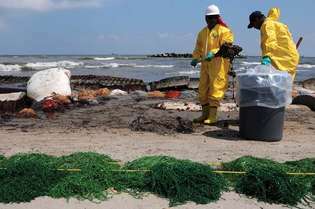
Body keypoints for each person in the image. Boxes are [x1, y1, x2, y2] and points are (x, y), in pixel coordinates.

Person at [191, 4, 234, 124]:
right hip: (205, 64)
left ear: (217, 17)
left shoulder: (225, 31)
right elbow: (198, 48)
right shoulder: (202, 32)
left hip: (218, 64)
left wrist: (213, 53)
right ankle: (204, 115)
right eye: (208, 18)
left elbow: (226, 46)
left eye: (212, 17)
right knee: (203, 88)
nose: (210, 20)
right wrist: (195, 58)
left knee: (216, 88)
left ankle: (213, 116)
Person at [247, 8, 300, 80]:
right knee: (286, 84)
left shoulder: (266, 25)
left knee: (277, 84)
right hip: (291, 58)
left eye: (253, 25)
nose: (255, 28)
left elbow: (270, 40)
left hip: (281, 60)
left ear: (256, 19)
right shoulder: (280, 24)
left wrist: (266, 57)